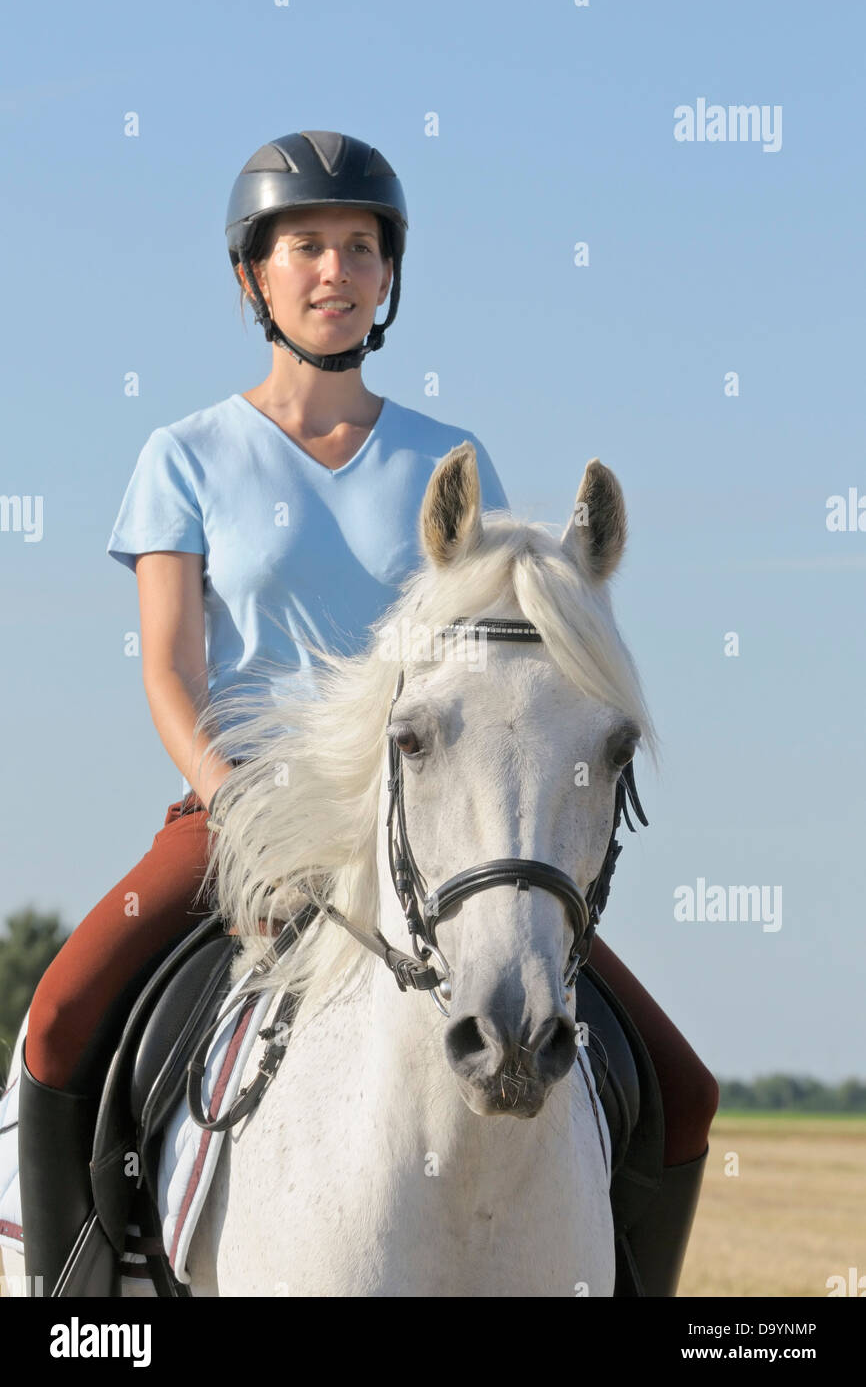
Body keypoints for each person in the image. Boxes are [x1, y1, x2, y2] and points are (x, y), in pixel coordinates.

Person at [17, 129, 717, 1298]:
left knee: (683, 1091)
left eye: (359, 246)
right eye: (305, 246)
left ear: (388, 275)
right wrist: (240, 811)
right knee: (55, 1025)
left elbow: (504, 681)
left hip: (433, 824)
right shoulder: (181, 455)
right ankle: (73, 1305)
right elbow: (170, 671)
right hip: (240, 813)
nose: (333, 268)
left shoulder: (452, 460)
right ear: (254, 274)